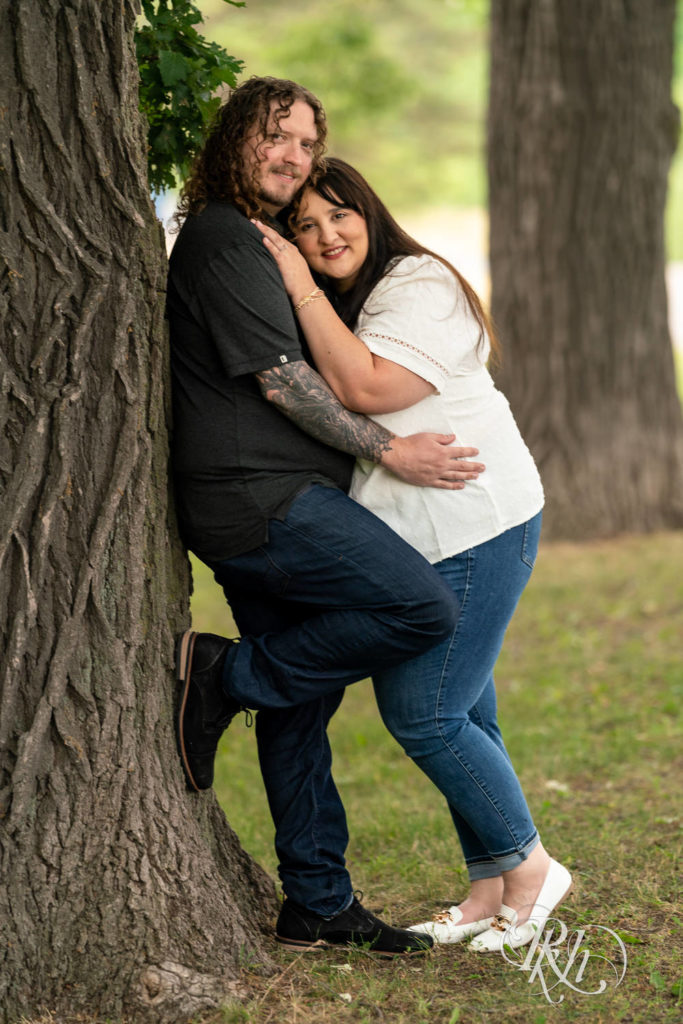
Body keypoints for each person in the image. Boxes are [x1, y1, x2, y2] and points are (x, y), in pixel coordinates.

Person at [166, 77, 487, 957]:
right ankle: (225, 676)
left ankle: (315, 901)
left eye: (307, 143)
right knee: (422, 608)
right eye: (276, 136)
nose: (292, 156)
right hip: (258, 497)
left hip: (274, 496)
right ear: (235, 137)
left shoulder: (263, 241)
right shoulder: (225, 238)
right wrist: (390, 450)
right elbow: (281, 380)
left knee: (300, 702)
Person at [253, 157, 573, 953]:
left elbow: (366, 389)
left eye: (338, 217)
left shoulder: (418, 282)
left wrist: (293, 278)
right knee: (466, 710)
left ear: (370, 212)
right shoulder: (348, 300)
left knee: (424, 711)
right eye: (304, 226)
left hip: (474, 521)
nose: (324, 236)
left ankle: (531, 866)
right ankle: (487, 888)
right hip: (418, 537)